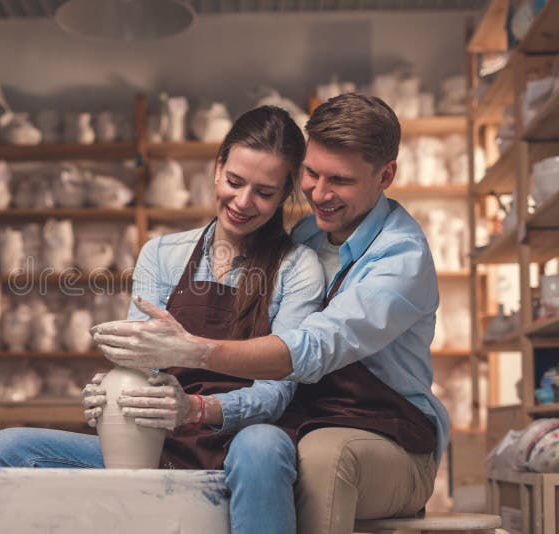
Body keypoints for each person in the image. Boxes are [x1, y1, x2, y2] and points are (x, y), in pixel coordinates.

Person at [92, 93, 451, 534]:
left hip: (392, 435)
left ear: (386, 175)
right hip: (308, 420)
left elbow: (312, 348)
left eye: (339, 180)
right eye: (312, 174)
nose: (319, 194)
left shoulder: (401, 259)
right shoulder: (309, 234)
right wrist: (112, 389)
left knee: (311, 457)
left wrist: (197, 358)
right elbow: (141, 357)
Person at [0, 105, 325, 534]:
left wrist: (195, 409)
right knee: (2, 447)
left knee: (263, 444)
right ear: (217, 169)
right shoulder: (162, 254)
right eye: (234, 182)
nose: (242, 202)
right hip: (161, 443)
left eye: (265, 192)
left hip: (241, 446)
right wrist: (109, 395)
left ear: (286, 192)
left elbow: (277, 392)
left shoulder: (298, 266)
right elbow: (139, 366)